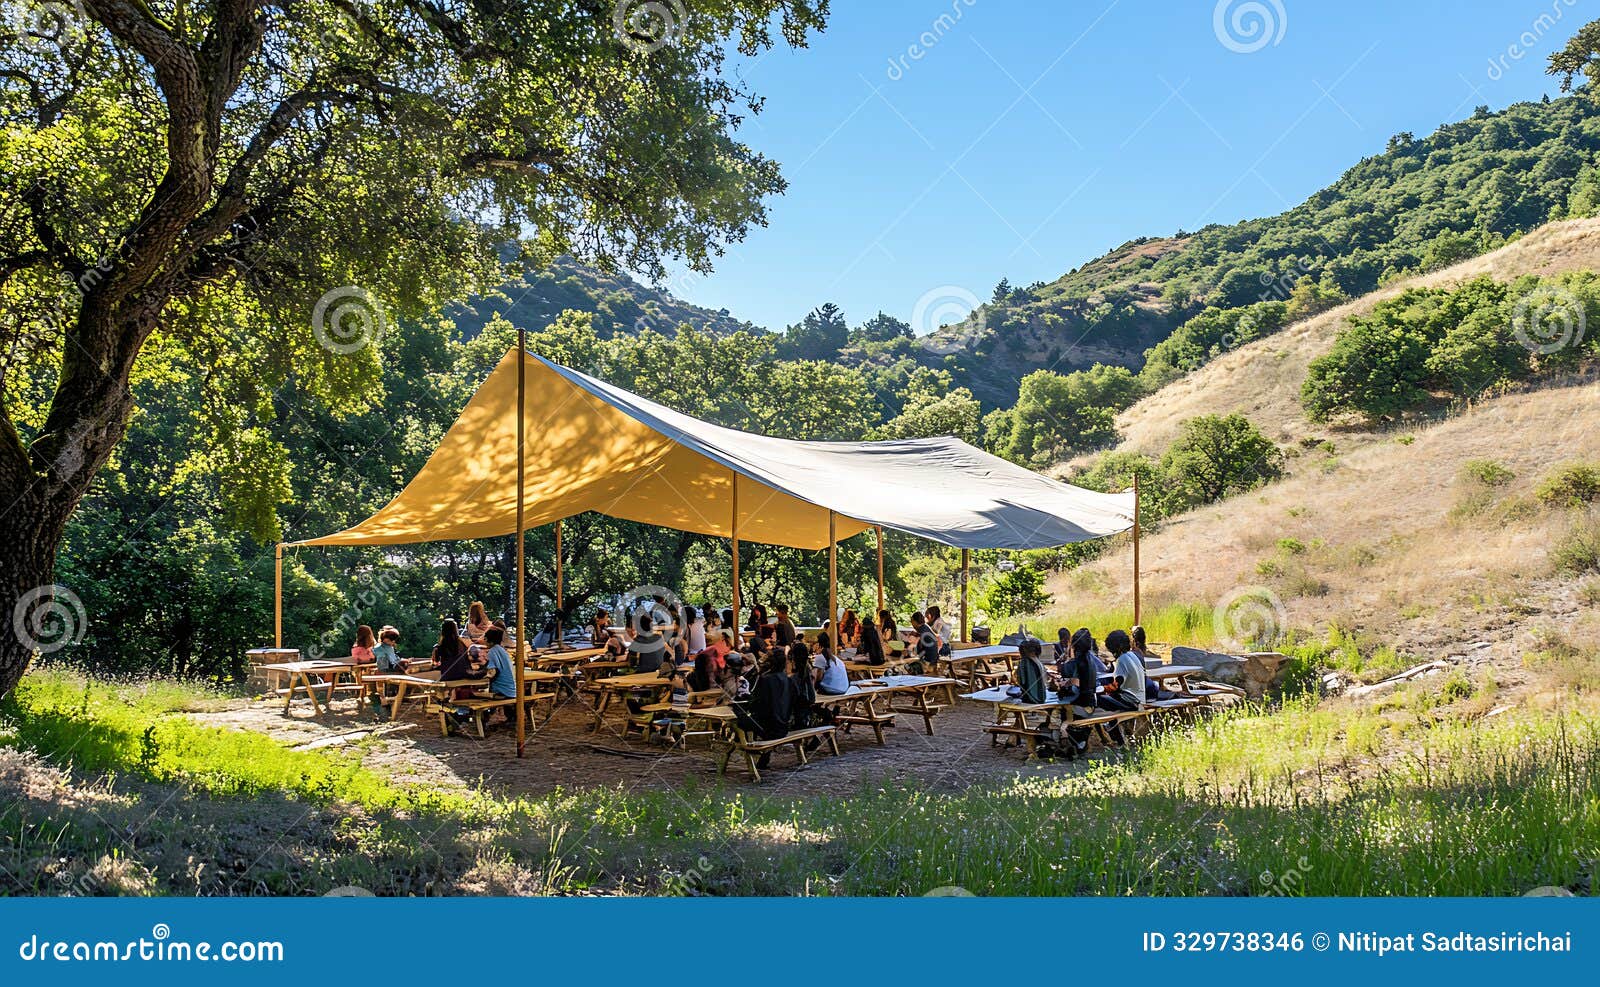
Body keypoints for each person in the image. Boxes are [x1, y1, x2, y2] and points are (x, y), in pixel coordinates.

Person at [739, 649, 794, 769]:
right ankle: (763, 757)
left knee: (739, 720)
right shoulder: (786, 679)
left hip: (769, 726)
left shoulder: (766, 679)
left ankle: (745, 745)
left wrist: (744, 699)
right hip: (783, 724)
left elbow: (757, 704)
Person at [431, 619, 482, 698]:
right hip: (463, 674)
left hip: (448, 676)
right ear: (456, 630)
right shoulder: (462, 643)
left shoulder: (440, 647)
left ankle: (447, 698)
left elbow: (435, 663)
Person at [481, 627, 521, 723]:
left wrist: (481, 676)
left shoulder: (492, 652)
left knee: (480, 693)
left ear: (489, 640)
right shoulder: (502, 650)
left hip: (503, 690)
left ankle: (487, 716)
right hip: (512, 688)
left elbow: (493, 672)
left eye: (485, 639)